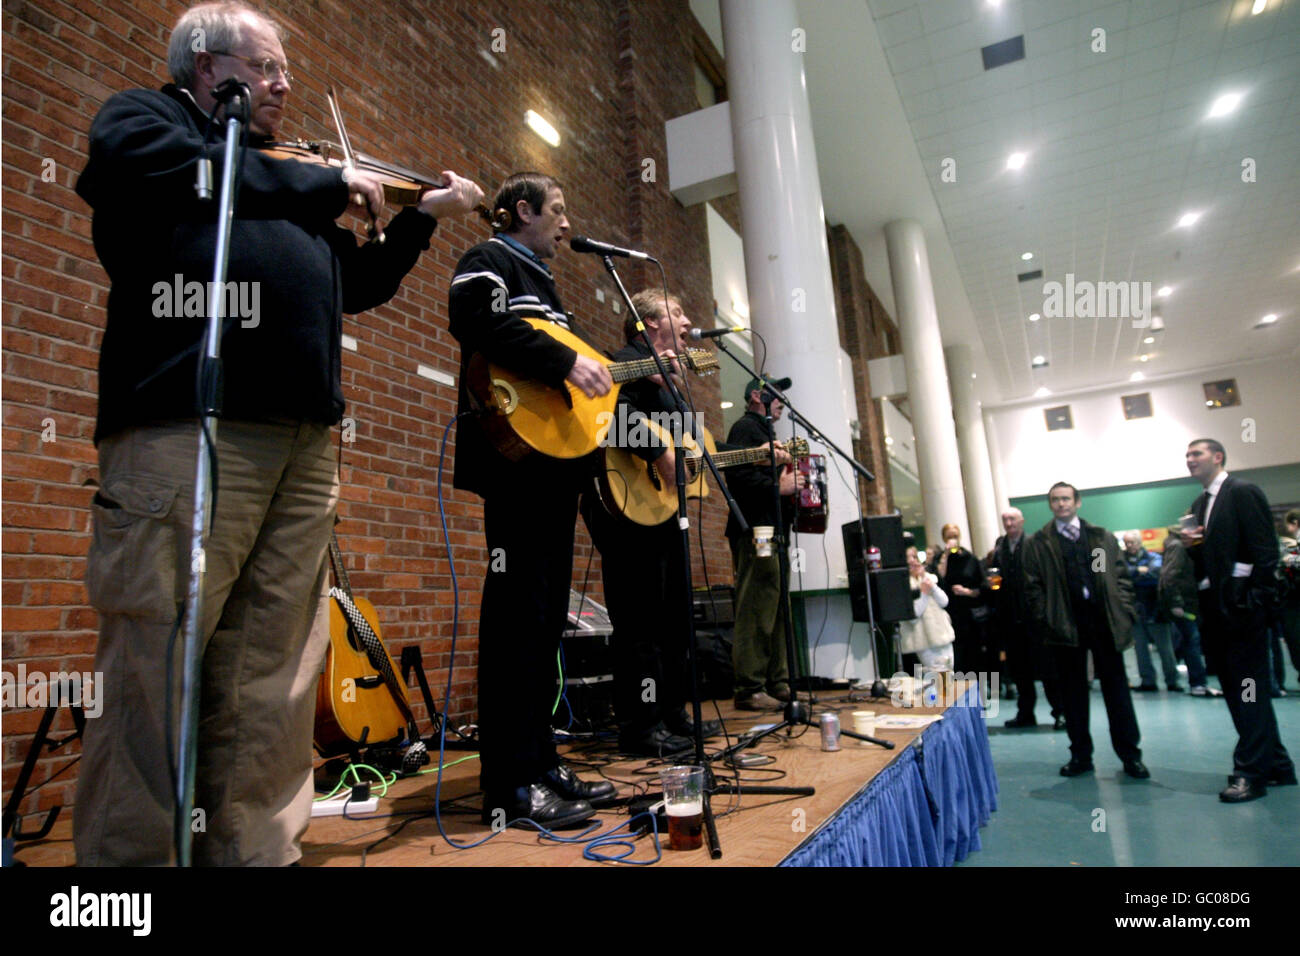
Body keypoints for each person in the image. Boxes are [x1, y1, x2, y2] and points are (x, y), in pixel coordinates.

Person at [72, 1, 485, 866]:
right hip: (188, 425)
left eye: (284, 71)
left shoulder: (273, 172)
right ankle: (131, 873)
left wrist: (420, 218)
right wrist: (321, 183)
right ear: (206, 66)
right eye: (267, 68)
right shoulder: (149, 123)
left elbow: (355, 284)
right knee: (159, 657)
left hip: (300, 443)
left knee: (274, 669)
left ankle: (255, 852)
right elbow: (148, 165)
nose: (284, 84)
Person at [449, 172, 618, 828]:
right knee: (517, 619)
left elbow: (568, 388)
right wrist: (563, 362)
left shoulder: (546, 288)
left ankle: (542, 762)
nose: (567, 224)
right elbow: (472, 318)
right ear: (521, 210)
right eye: (557, 211)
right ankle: (509, 786)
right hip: (514, 467)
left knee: (547, 623)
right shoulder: (488, 261)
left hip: (554, 472)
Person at [579, 290, 723, 756]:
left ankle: (671, 712)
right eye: (676, 312)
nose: (687, 321)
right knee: (639, 621)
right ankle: (640, 727)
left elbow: (683, 439)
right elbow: (607, 416)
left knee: (674, 617)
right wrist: (657, 451)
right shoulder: (621, 361)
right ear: (648, 322)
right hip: (625, 505)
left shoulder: (669, 377)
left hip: (663, 510)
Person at [1181, 439, 1295, 802]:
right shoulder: (1200, 504)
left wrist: (1254, 600)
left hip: (1243, 613)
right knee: (1239, 691)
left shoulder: (1243, 491)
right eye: (1187, 456)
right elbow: (1212, 558)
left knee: (1248, 690)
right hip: (1216, 612)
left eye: (1195, 454)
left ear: (1218, 457)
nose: (1189, 460)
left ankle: (1250, 773)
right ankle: (1277, 765)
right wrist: (1193, 548)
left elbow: (1265, 552)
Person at [1022, 482, 1148, 779]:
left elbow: (1117, 577)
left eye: (1066, 498)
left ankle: (1131, 756)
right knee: (1073, 695)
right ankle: (1080, 755)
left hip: (1104, 623)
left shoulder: (1099, 538)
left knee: (1117, 692)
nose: (1061, 504)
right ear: (1050, 505)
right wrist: (1046, 618)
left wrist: (1125, 610)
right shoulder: (1038, 543)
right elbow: (1032, 587)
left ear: (1077, 502)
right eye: (1055, 500)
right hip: (1065, 627)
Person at [725, 375, 801, 710]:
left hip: (770, 529)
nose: (781, 401)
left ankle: (777, 680)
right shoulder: (745, 429)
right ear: (756, 396)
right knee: (758, 601)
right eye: (775, 395)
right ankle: (750, 686)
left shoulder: (767, 434)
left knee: (776, 601)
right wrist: (779, 488)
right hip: (757, 530)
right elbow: (738, 478)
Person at [992, 508, 1065, 729]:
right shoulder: (1000, 548)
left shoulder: (1035, 544)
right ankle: (1025, 713)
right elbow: (996, 578)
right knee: (1019, 670)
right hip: (1010, 619)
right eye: (1005, 519)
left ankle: (1060, 713)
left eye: (1012, 519)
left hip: (1035, 619)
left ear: (1022, 521)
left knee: (1048, 670)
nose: (1009, 523)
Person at [1157, 526, 1220, 697]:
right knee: (1191, 641)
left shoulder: (1179, 546)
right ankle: (1198, 684)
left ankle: (1198, 683)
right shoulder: (1178, 547)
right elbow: (1169, 576)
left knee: (1189, 641)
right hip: (1183, 604)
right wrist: (1176, 603)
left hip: (1187, 603)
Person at [935, 524, 998, 691]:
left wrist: (967, 592)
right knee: (957, 656)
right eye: (948, 536)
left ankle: (980, 691)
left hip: (970, 615)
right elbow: (939, 577)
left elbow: (983, 587)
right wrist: (946, 554)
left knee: (975, 654)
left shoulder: (970, 558)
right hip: (951, 615)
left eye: (954, 536)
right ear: (944, 539)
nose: (952, 539)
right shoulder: (941, 558)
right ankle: (960, 693)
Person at [1121, 532, 1183, 692]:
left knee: (1166, 650)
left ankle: (1172, 681)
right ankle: (1147, 681)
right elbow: (1120, 575)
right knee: (1140, 650)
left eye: (1132, 542)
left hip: (1156, 610)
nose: (1129, 546)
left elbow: (1156, 574)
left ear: (1140, 542)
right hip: (1135, 611)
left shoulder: (1153, 557)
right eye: (1126, 543)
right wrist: (1138, 571)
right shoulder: (1121, 559)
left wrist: (1134, 574)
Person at [897, 546, 955, 672]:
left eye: (914, 557)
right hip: (924, 640)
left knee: (950, 673)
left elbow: (944, 602)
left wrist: (931, 586)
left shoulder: (930, 578)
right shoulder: (903, 585)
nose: (913, 561)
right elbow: (913, 615)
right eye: (908, 558)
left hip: (942, 634)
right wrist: (923, 593)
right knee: (937, 677)